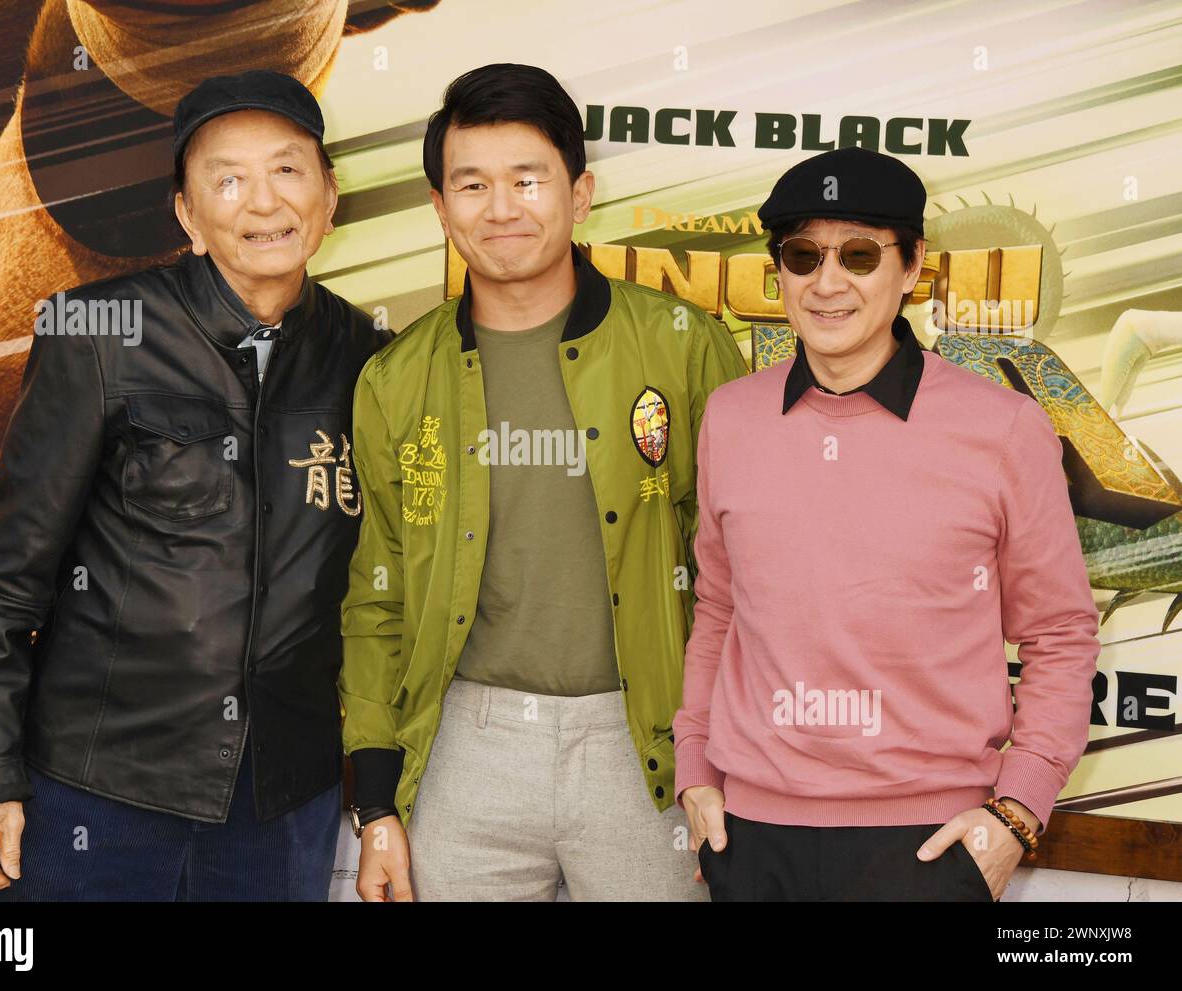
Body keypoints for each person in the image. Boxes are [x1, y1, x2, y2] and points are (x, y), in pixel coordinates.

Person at [0, 69, 390, 901]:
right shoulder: (97, 336)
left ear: (329, 195)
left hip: (280, 802)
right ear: (187, 216)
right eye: (228, 179)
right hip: (102, 788)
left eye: (289, 170)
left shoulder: (367, 358)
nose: (264, 202)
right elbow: (4, 581)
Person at [339, 63, 745, 901]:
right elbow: (375, 601)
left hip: (648, 743)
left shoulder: (681, 343)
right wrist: (376, 801)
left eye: (528, 179)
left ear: (581, 191)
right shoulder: (395, 378)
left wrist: (728, 752)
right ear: (439, 206)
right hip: (468, 742)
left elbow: (739, 571)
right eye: (472, 184)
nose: (501, 208)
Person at [675, 145, 1101, 901]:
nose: (827, 282)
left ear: (912, 269)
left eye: (860, 254)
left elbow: (1061, 634)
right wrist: (697, 773)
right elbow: (719, 608)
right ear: (779, 271)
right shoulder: (731, 417)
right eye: (802, 255)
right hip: (749, 838)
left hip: (929, 850)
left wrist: (1018, 813)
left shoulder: (1003, 429)